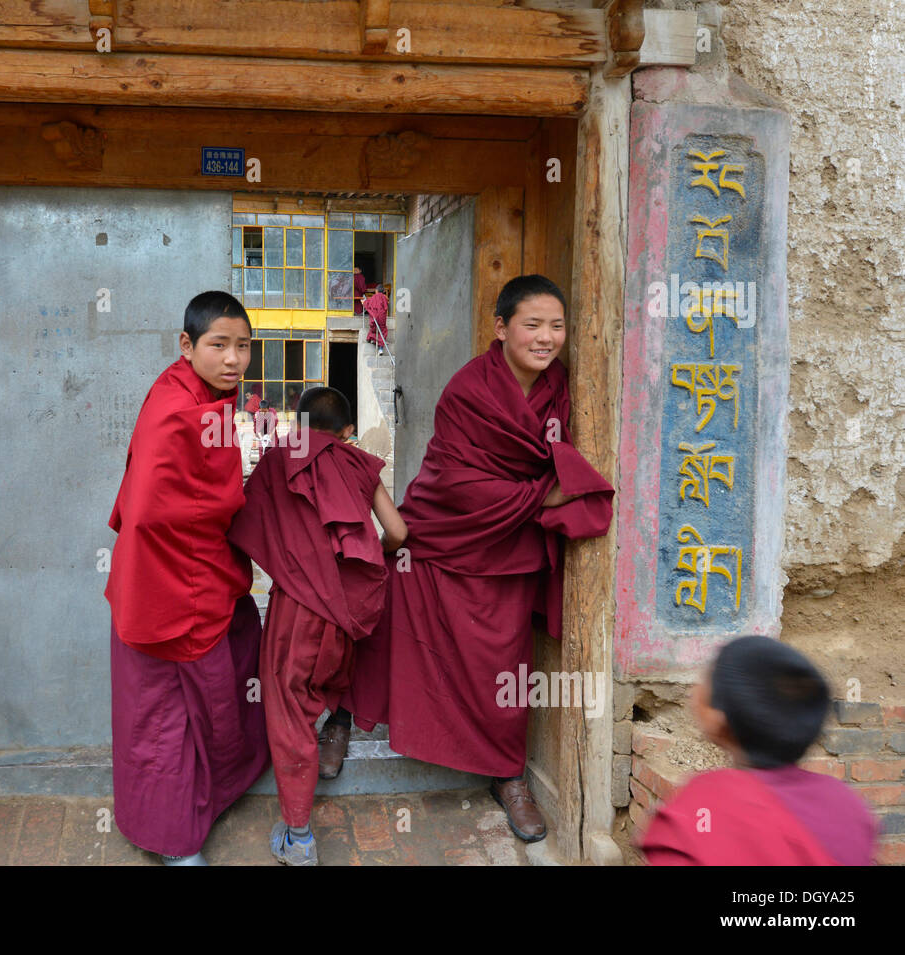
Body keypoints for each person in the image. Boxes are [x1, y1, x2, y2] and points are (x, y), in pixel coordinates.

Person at [346, 274, 615, 843]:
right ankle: (345, 715)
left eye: (557, 327)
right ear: (502, 328)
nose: (546, 338)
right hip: (446, 535)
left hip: (511, 551)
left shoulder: (562, 385)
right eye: (533, 325)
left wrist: (544, 490)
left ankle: (506, 775)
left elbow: (559, 458)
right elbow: (456, 481)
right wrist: (541, 493)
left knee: (504, 671)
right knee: (389, 606)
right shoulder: (470, 389)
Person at [104, 290, 269, 866]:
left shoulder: (200, 395)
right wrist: (236, 489)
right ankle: (174, 842)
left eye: (243, 347)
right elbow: (152, 510)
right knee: (164, 720)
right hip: (165, 590)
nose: (233, 360)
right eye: (218, 345)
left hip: (191, 574)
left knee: (240, 652)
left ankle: (216, 791)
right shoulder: (179, 409)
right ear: (187, 346)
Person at [229, 386, 407, 865]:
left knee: (288, 710)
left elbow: (241, 522)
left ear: (298, 428)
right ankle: (331, 737)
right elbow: (400, 533)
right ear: (348, 432)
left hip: (296, 609)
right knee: (317, 688)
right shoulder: (357, 465)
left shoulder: (277, 461)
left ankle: (299, 832)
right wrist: (366, 557)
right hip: (347, 613)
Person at [638, 636, 878, 865]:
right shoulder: (847, 804)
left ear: (717, 719)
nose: (695, 689)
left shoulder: (703, 802)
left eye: (708, 677)